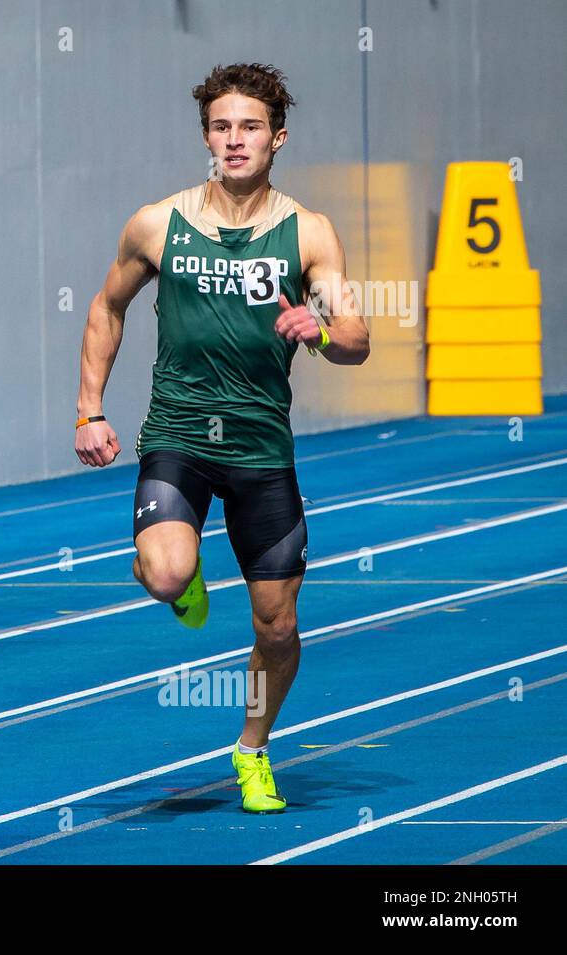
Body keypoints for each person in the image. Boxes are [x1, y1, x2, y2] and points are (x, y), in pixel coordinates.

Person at [74, 63, 369, 814]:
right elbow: (108, 308)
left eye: (250, 126)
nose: (234, 140)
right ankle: (181, 575)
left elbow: (358, 337)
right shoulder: (157, 223)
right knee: (169, 574)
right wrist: (89, 408)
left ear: (278, 137)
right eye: (221, 126)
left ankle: (253, 748)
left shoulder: (308, 232)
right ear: (206, 135)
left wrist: (323, 328)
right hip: (178, 432)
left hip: (261, 450)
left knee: (278, 625)